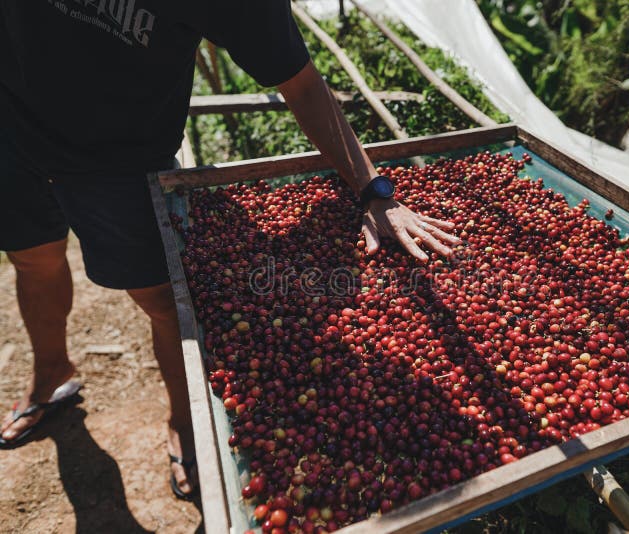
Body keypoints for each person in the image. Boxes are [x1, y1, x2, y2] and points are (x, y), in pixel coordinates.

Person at [0, 1, 459, 499]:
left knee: (162, 300)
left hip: (122, 163)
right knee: (31, 256)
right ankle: (51, 373)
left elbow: (302, 83)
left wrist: (371, 190)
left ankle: (184, 416)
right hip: (12, 123)